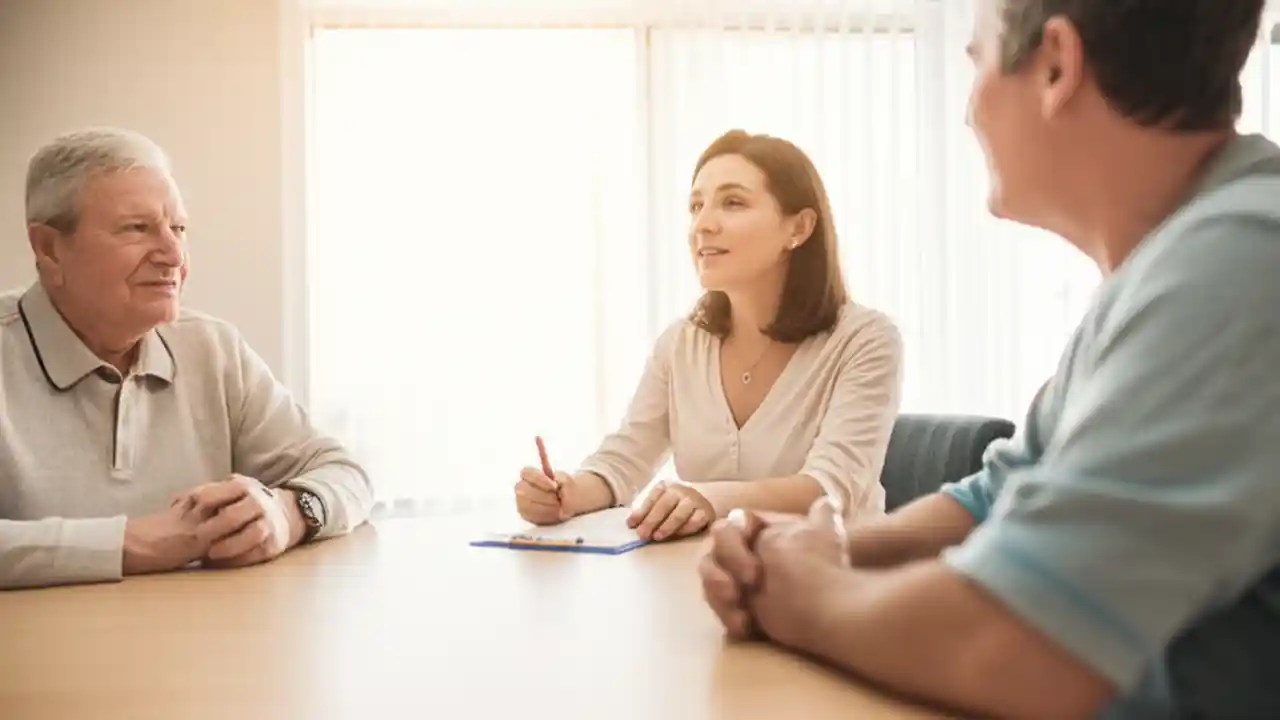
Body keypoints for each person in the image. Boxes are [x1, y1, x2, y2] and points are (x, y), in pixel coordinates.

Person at [700, 1, 1280, 717]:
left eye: (974, 62)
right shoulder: (1171, 262)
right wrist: (818, 545)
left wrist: (806, 595)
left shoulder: (1242, 262)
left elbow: (1022, 645)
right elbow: (994, 496)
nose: (968, 111)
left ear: (1056, 67)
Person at [1, 128, 373, 590]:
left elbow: (346, 473)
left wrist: (289, 512)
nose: (174, 255)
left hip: (197, 649)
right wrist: (127, 544)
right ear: (49, 249)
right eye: (136, 228)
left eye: (178, 228)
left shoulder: (213, 349)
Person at [514, 130, 903, 542]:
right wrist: (569, 493)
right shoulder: (681, 344)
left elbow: (830, 489)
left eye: (732, 203)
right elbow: (625, 459)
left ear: (800, 228)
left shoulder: (865, 340)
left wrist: (708, 499)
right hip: (712, 577)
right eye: (696, 206)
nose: (703, 224)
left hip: (833, 583)